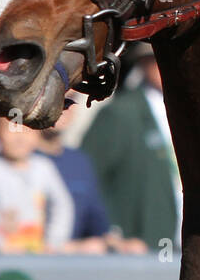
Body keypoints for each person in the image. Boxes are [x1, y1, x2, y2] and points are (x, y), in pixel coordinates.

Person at [80, 48, 180, 253]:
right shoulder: (120, 113)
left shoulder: (192, 114)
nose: (168, 67)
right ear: (143, 63)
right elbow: (86, 178)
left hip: (184, 245)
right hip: (139, 249)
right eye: (158, 60)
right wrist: (112, 235)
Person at [37, 96, 143, 254]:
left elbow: (98, 222)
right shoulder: (19, 162)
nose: (62, 107)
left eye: (70, 100)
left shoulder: (80, 162)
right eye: (54, 96)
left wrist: (118, 244)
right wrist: (69, 248)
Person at [0, 120, 75, 253]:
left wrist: (54, 242)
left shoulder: (44, 168)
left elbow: (62, 205)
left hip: (38, 254)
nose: (20, 137)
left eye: (27, 129)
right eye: (11, 130)